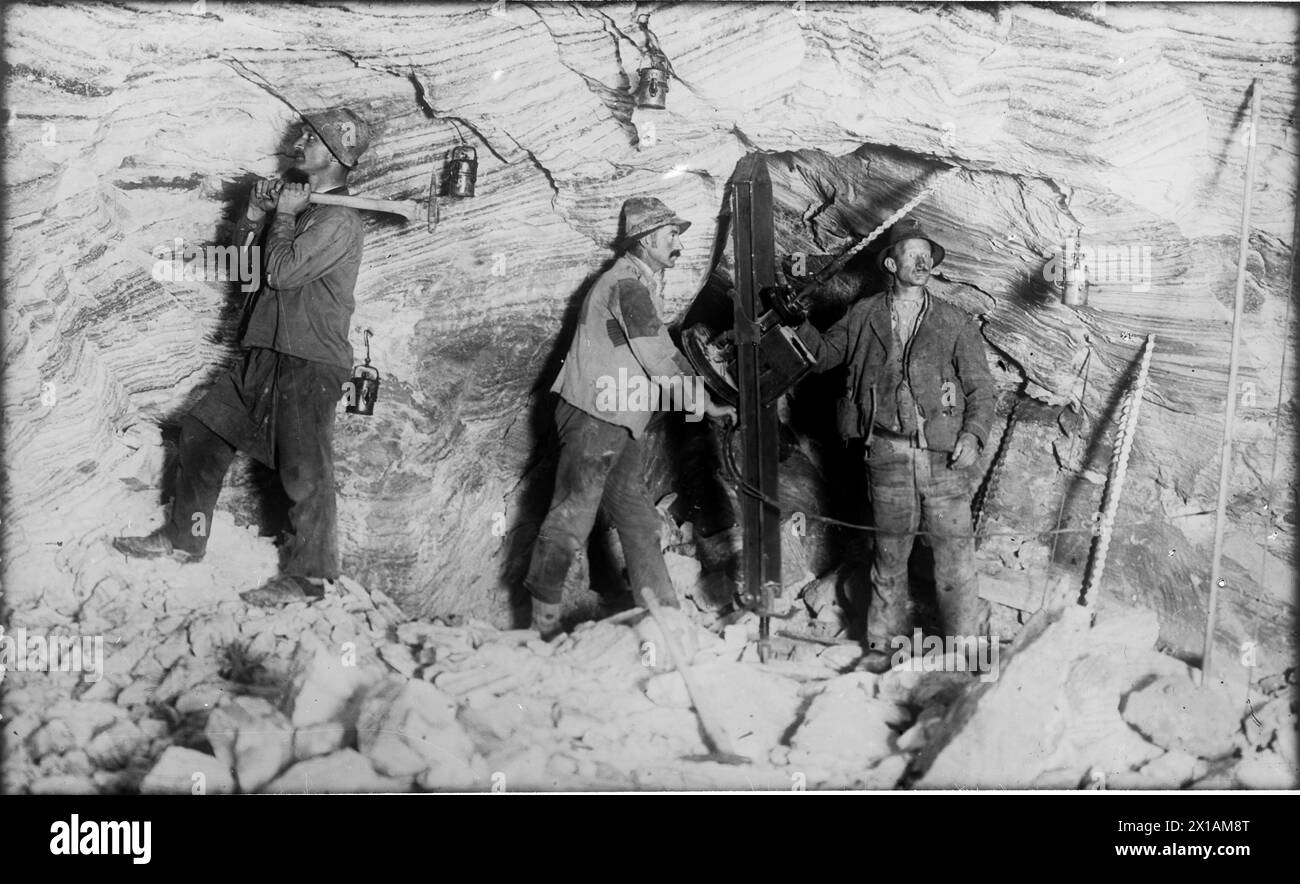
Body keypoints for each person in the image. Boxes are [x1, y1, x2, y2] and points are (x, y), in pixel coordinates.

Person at [112, 107, 373, 607]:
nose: (300, 145)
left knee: (305, 470)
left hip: (308, 359)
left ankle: (310, 578)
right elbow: (247, 268)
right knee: (203, 432)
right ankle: (186, 537)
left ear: (338, 155)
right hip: (264, 350)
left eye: (313, 140)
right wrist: (254, 216)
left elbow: (282, 273)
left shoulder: (339, 218)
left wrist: (286, 217)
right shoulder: (307, 207)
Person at [525, 196, 734, 640]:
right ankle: (542, 622)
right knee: (573, 514)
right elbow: (658, 357)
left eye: (677, 233)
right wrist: (707, 405)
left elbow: (666, 354)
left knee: (638, 519)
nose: (677, 242)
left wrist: (704, 400)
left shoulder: (641, 286)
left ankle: (663, 619)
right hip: (593, 416)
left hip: (619, 420)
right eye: (670, 234)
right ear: (644, 239)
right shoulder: (626, 285)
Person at [794, 216, 996, 669]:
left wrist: (974, 434)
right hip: (885, 453)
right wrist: (796, 321)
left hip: (942, 457)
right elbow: (823, 355)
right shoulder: (865, 314)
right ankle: (884, 652)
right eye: (912, 253)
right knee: (889, 556)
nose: (922, 261)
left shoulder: (953, 321)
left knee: (955, 556)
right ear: (891, 262)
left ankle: (964, 651)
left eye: (928, 255)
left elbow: (983, 389)